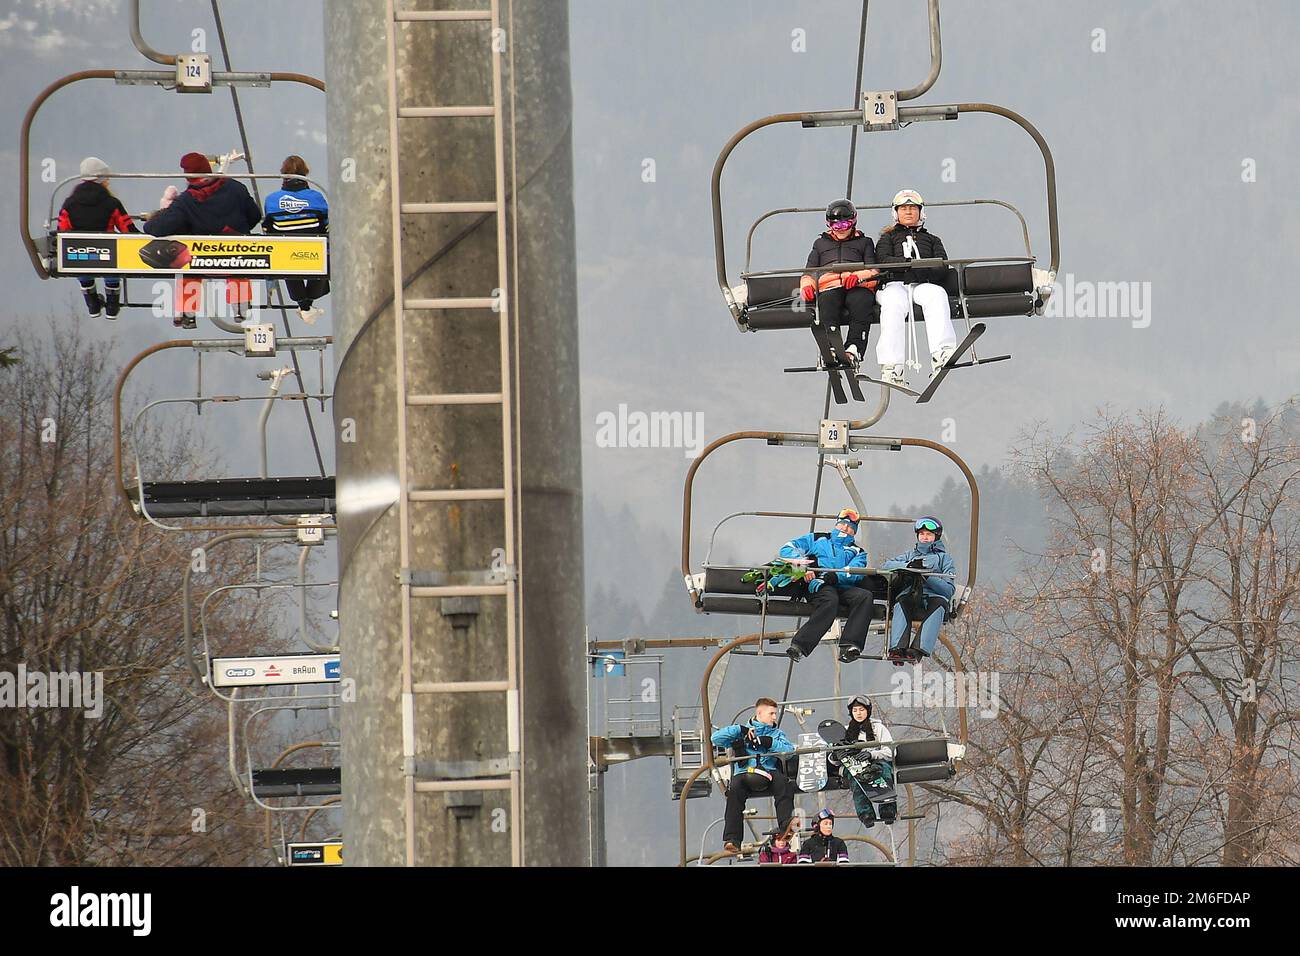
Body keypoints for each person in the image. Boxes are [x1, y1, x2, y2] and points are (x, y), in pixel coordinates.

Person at [143, 152, 263, 328]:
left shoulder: (186, 202)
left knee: (188, 266)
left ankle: (187, 313)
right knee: (239, 266)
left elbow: (158, 228)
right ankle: (241, 307)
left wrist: (154, 219)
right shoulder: (236, 188)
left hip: (201, 259)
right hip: (236, 255)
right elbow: (255, 216)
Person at [763, 508, 884, 664]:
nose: (845, 529)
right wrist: (802, 565)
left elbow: (855, 572)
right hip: (818, 584)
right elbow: (788, 548)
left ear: (854, 533)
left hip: (842, 586)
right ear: (836, 525)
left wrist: (834, 576)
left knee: (864, 597)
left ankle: (850, 645)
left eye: (850, 528)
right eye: (842, 525)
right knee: (829, 601)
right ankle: (800, 645)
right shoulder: (818, 539)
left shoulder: (857, 551)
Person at [872, 189, 958, 388]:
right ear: (896, 213)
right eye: (903, 208)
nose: (908, 212)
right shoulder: (888, 238)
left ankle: (942, 353)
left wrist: (920, 271)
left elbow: (941, 264)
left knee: (937, 295)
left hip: (922, 283)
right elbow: (883, 260)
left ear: (921, 212)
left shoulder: (932, 240)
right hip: (895, 284)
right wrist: (910, 264)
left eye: (912, 208)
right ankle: (892, 365)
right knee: (893, 304)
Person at [799, 199, 881, 368]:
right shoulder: (821, 244)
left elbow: (874, 270)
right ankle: (831, 347)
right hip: (831, 284)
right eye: (836, 225)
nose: (841, 229)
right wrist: (807, 285)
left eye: (846, 224)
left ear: (854, 221)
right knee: (827, 302)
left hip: (857, 284)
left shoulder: (865, 242)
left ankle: (854, 348)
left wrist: (859, 276)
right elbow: (810, 271)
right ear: (829, 224)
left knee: (861, 303)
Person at [57, 157, 139, 319]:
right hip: (107, 257)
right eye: (107, 178)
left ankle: (92, 302)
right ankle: (112, 304)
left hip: (78, 258)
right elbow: (127, 230)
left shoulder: (69, 204)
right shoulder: (111, 203)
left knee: (79, 258)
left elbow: (62, 231)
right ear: (101, 179)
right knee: (112, 258)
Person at [710, 697, 795, 853]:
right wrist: (740, 730)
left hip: (768, 771)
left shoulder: (776, 734)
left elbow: (789, 751)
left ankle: (785, 827)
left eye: (775, 714)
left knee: (784, 784)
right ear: (759, 713)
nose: (774, 717)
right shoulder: (741, 732)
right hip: (744, 772)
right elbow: (716, 739)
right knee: (734, 792)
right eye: (771, 714)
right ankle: (732, 839)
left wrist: (769, 742)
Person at [262, 155, 330, 322]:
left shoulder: (272, 200)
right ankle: (306, 304)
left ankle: (304, 304)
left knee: (286, 254)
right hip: (315, 251)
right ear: (304, 173)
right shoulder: (316, 197)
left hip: (286, 253)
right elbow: (326, 223)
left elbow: (267, 228)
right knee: (323, 255)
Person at [881, 516, 957, 663]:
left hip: (932, 599)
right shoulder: (910, 555)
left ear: (936, 537)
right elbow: (886, 566)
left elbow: (948, 590)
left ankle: (917, 650)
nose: (925, 537)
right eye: (922, 534)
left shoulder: (944, 559)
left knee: (940, 603)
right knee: (902, 602)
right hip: (911, 596)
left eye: (929, 534)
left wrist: (927, 576)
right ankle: (897, 648)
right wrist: (908, 566)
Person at [834, 694, 897, 827]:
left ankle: (888, 810)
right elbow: (835, 758)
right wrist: (836, 756)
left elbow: (891, 751)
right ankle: (865, 813)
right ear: (851, 712)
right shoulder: (845, 732)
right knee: (855, 778)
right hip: (854, 765)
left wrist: (872, 754)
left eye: (861, 710)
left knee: (883, 772)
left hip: (876, 762)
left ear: (868, 711)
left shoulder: (878, 728)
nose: (858, 713)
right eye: (855, 710)